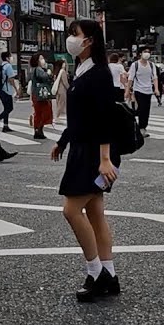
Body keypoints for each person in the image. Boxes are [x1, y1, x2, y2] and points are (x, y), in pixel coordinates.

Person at [52, 19, 121, 302]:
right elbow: (80, 116)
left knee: (70, 211)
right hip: (81, 148)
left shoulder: (101, 73)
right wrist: (62, 141)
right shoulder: (81, 69)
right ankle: (110, 274)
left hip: (95, 154)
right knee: (95, 213)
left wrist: (105, 160)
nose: (70, 39)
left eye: (74, 34)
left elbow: (105, 118)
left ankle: (96, 273)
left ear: (89, 40)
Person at [126, 48, 160, 134]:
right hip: (138, 90)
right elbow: (130, 78)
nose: (147, 54)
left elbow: (155, 77)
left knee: (146, 110)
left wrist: (156, 89)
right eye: (145, 52)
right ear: (140, 53)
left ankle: (143, 127)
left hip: (148, 90)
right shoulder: (135, 65)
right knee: (141, 109)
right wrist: (127, 91)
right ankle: (140, 128)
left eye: (148, 52)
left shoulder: (152, 65)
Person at [29, 53, 54, 140]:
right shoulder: (39, 69)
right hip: (40, 94)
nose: (43, 60)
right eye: (41, 58)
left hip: (36, 94)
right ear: (37, 61)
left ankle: (38, 130)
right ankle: (39, 130)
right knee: (43, 112)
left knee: (39, 113)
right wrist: (48, 72)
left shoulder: (34, 69)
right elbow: (45, 77)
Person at [0, 51, 18, 132]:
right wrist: (16, 89)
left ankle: (6, 125)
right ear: (7, 58)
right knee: (9, 108)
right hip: (7, 89)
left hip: (1, 89)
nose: (11, 58)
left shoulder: (2, 66)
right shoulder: (8, 66)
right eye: (10, 56)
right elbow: (11, 79)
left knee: (6, 108)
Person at [52, 59, 69, 126]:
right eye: (64, 63)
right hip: (62, 90)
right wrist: (69, 88)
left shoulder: (57, 72)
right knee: (61, 104)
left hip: (57, 90)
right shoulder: (63, 72)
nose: (65, 64)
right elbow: (65, 82)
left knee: (59, 103)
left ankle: (57, 116)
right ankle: (56, 117)